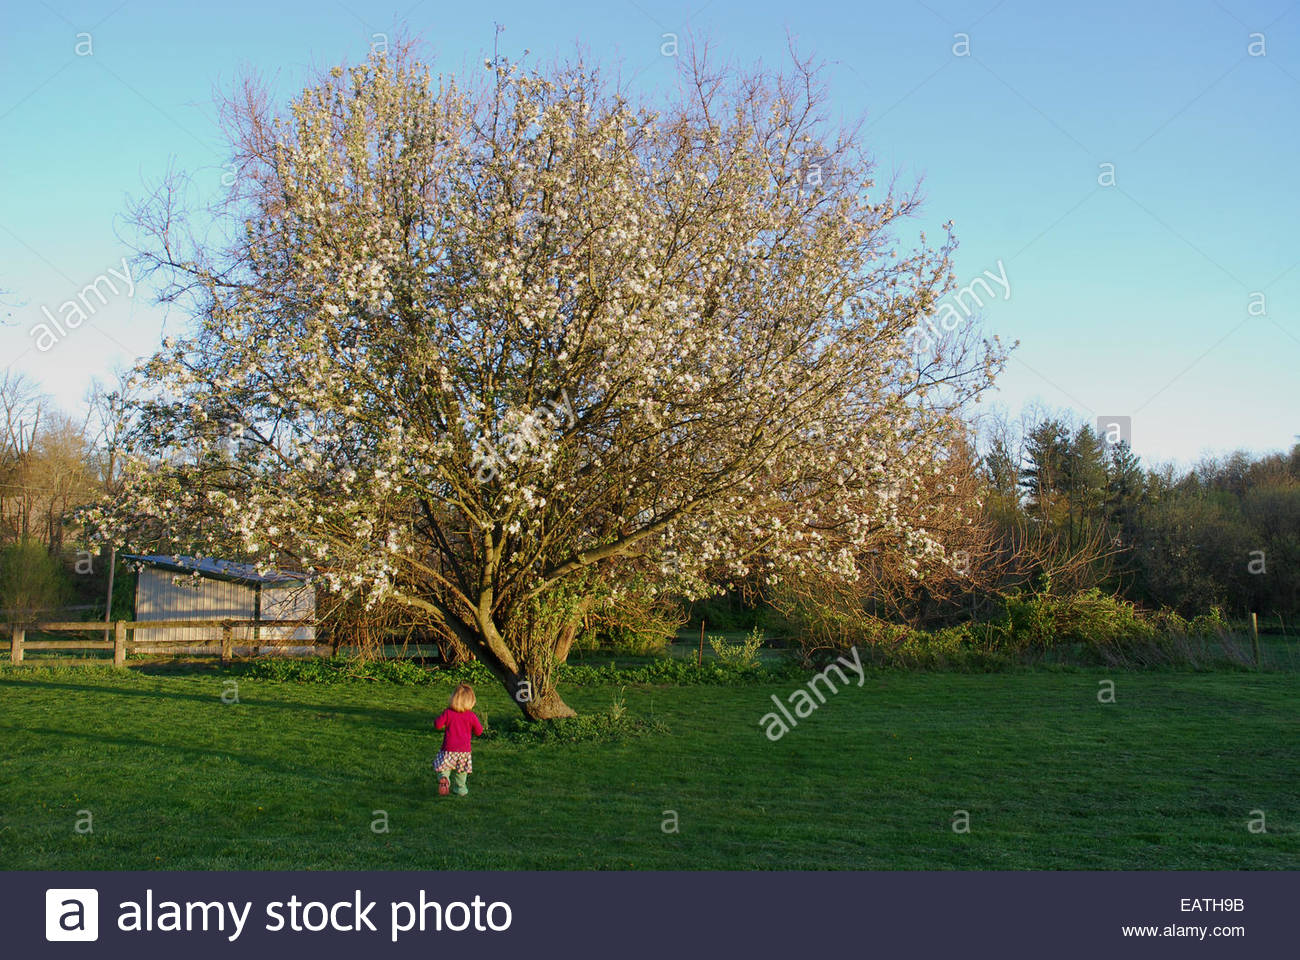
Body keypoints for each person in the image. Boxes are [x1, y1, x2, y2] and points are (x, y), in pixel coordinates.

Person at [433, 683, 484, 796]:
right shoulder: (471, 716)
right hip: (464, 750)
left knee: (444, 767)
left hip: (448, 749)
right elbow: (479, 731)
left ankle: (444, 778)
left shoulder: (448, 713)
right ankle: (460, 789)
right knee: (461, 772)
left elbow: (437, 725)